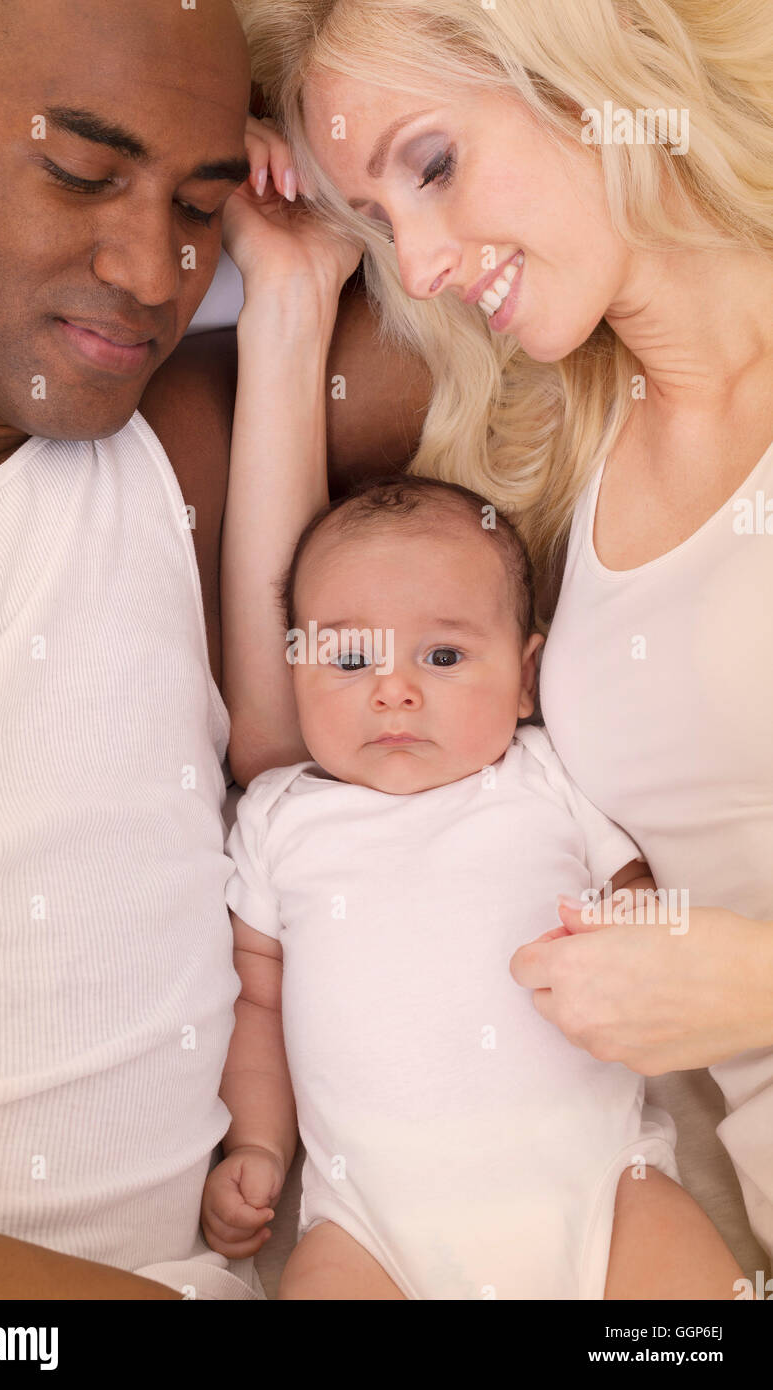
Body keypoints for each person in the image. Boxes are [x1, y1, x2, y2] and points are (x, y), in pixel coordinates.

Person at [227, 0, 773, 1277]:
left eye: (430, 165)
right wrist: (294, 297)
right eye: (378, 217)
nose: (413, 266)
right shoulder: (544, 465)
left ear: (585, 69)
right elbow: (285, 729)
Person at [0, 0, 423, 1298]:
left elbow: (618, 295)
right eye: (84, 175)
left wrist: (300, 275)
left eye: (201, 206)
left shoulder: (179, 442)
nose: (152, 270)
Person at [202, 474, 743, 1300]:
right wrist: (259, 1147)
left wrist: (636, 922)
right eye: (348, 659)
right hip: (371, 1227)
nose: (394, 689)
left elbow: (641, 893)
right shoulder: (280, 818)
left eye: (444, 656)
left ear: (526, 677)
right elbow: (259, 1004)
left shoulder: (546, 777)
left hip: (601, 1192)